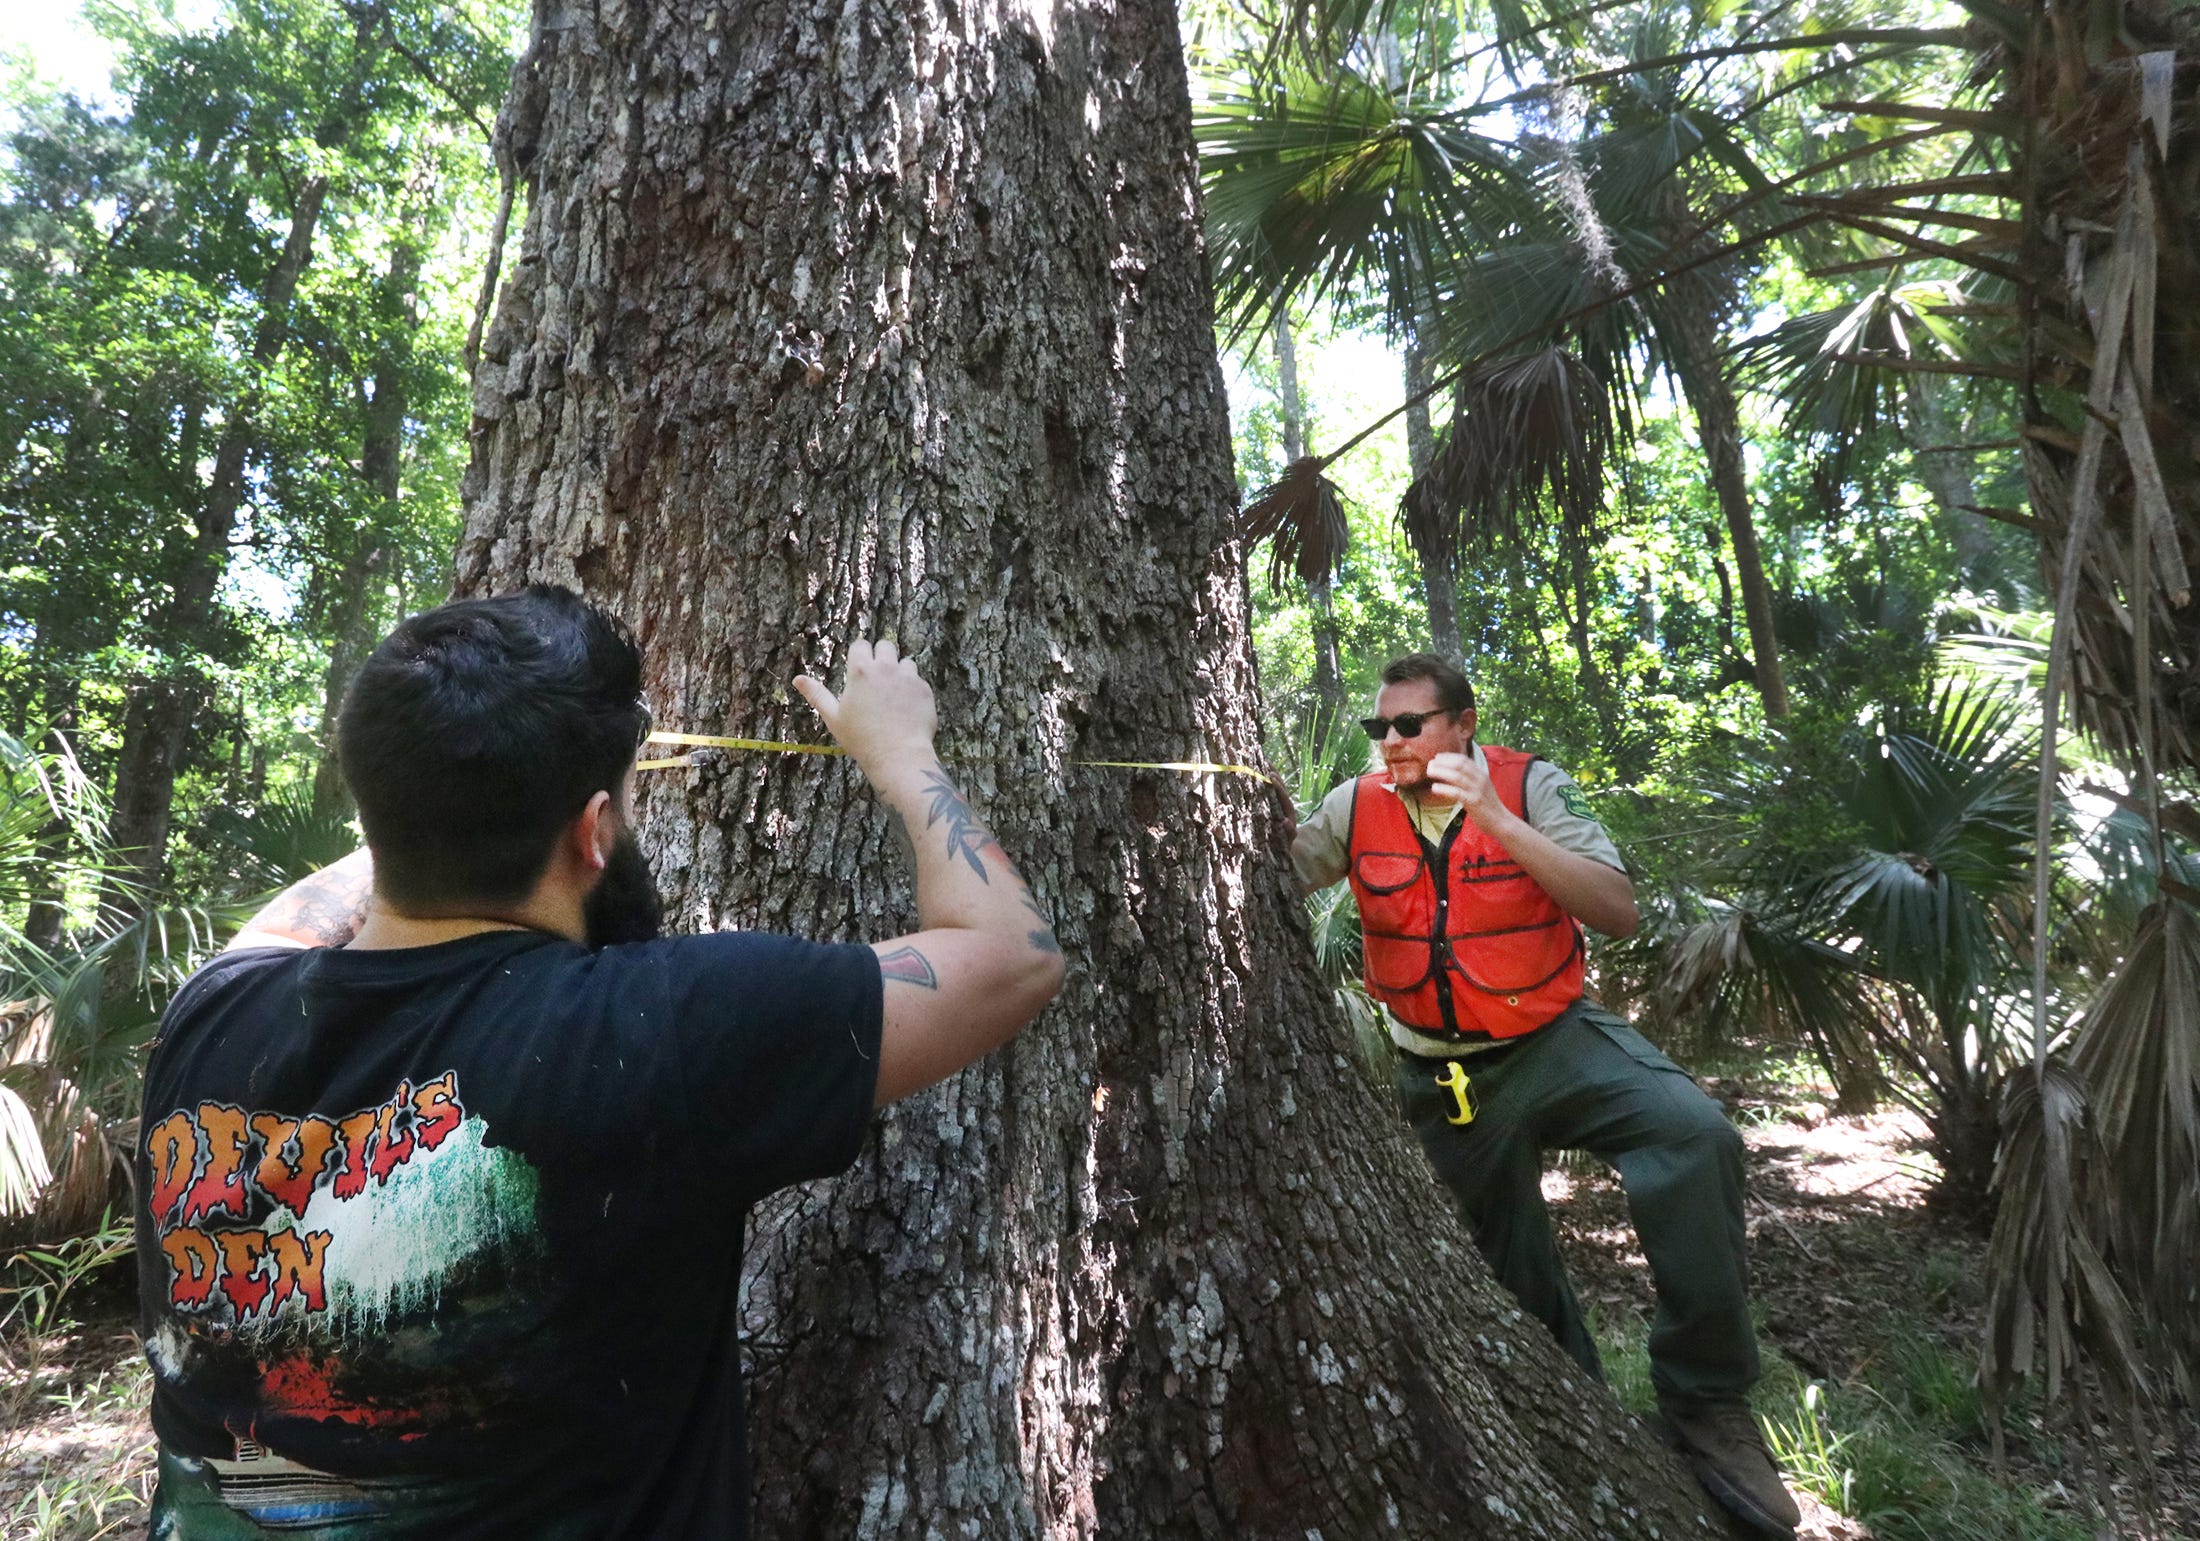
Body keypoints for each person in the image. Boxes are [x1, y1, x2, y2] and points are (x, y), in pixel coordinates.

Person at [134, 586, 1064, 1538]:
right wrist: (905, 757)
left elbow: (296, 914)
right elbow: (1013, 955)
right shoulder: (660, 1028)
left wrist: (440, 791)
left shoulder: (208, 1014)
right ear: (593, 830)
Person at [1285, 652, 1802, 1539]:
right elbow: (1273, 874)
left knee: (1694, 1135)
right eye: (1381, 727)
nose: (1392, 742)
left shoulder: (1531, 787)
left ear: (1462, 725)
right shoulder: (1356, 802)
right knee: (1509, 1269)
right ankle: (1582, 1410)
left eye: (1410, 725)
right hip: (1440, 1072)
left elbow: (1615, 906)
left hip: (1554, 1041)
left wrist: (1490, 814)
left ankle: (1706, 1400)